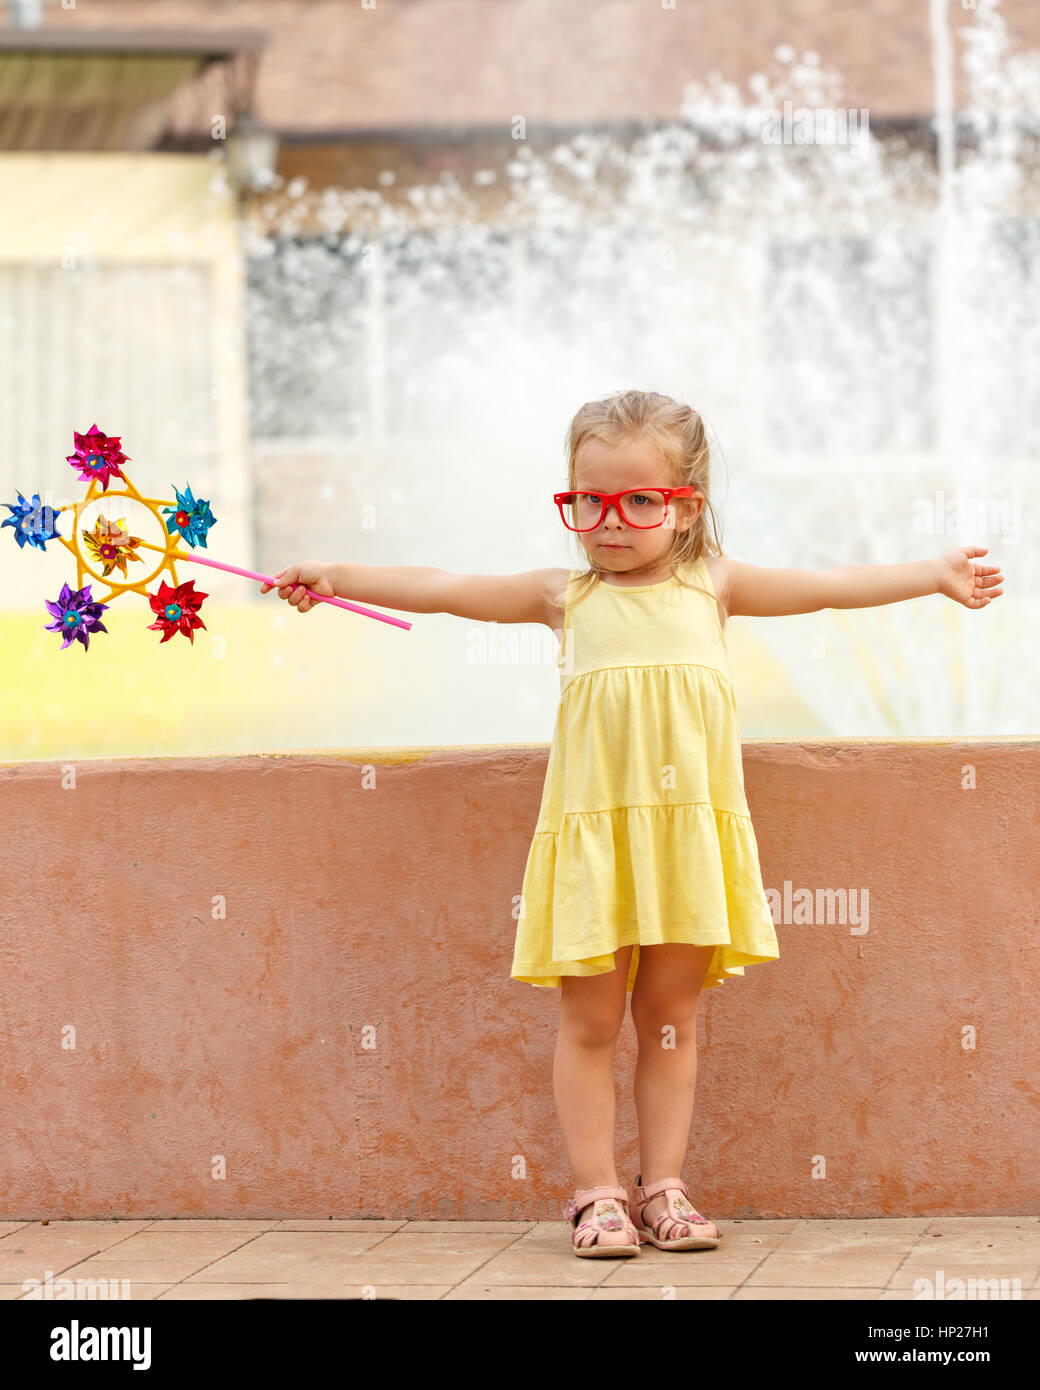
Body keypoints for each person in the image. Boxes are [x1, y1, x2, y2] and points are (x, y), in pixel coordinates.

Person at [262, 388, 1004, 1259]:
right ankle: (596, 1195)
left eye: (640, 500)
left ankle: (664, 1188)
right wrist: (338, 576)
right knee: (589, 1021)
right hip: (595, 847)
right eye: (588, 501)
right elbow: (446, 587)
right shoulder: (563, 597)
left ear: (687, 508)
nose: (610, 523)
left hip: (686, 845)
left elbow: (832, 588)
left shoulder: (716, 586)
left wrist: (935, 575)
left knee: (670, 1019)